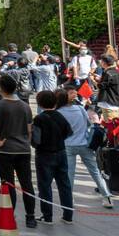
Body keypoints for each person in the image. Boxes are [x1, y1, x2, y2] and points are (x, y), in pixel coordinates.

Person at [0, 74, 37, 228]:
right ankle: (30, 217)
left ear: (1, 89)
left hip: (5, 150)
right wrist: (25, 143)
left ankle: (8, 214)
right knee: (26, 183)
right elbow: (30, 130)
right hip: (23, 149)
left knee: (8, 184)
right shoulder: (25, 106)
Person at [58, 85, 114, 209]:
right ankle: (107, 197)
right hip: (85, 144)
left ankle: (69, 199)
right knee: (95, 172)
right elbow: (89, 123)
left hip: (67, 145)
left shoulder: (59, 112)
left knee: (69, 174)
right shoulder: (80, 108)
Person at [32, 90, 74, 224]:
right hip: (61, 152)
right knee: (64, 184)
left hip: (44, 154)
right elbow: (69, 132)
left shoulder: (39, 118)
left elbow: (36, 139)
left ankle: (47, 215)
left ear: (39, 103)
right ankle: (68, 215)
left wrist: (34, 143)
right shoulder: (60, 116)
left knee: (45, 185)